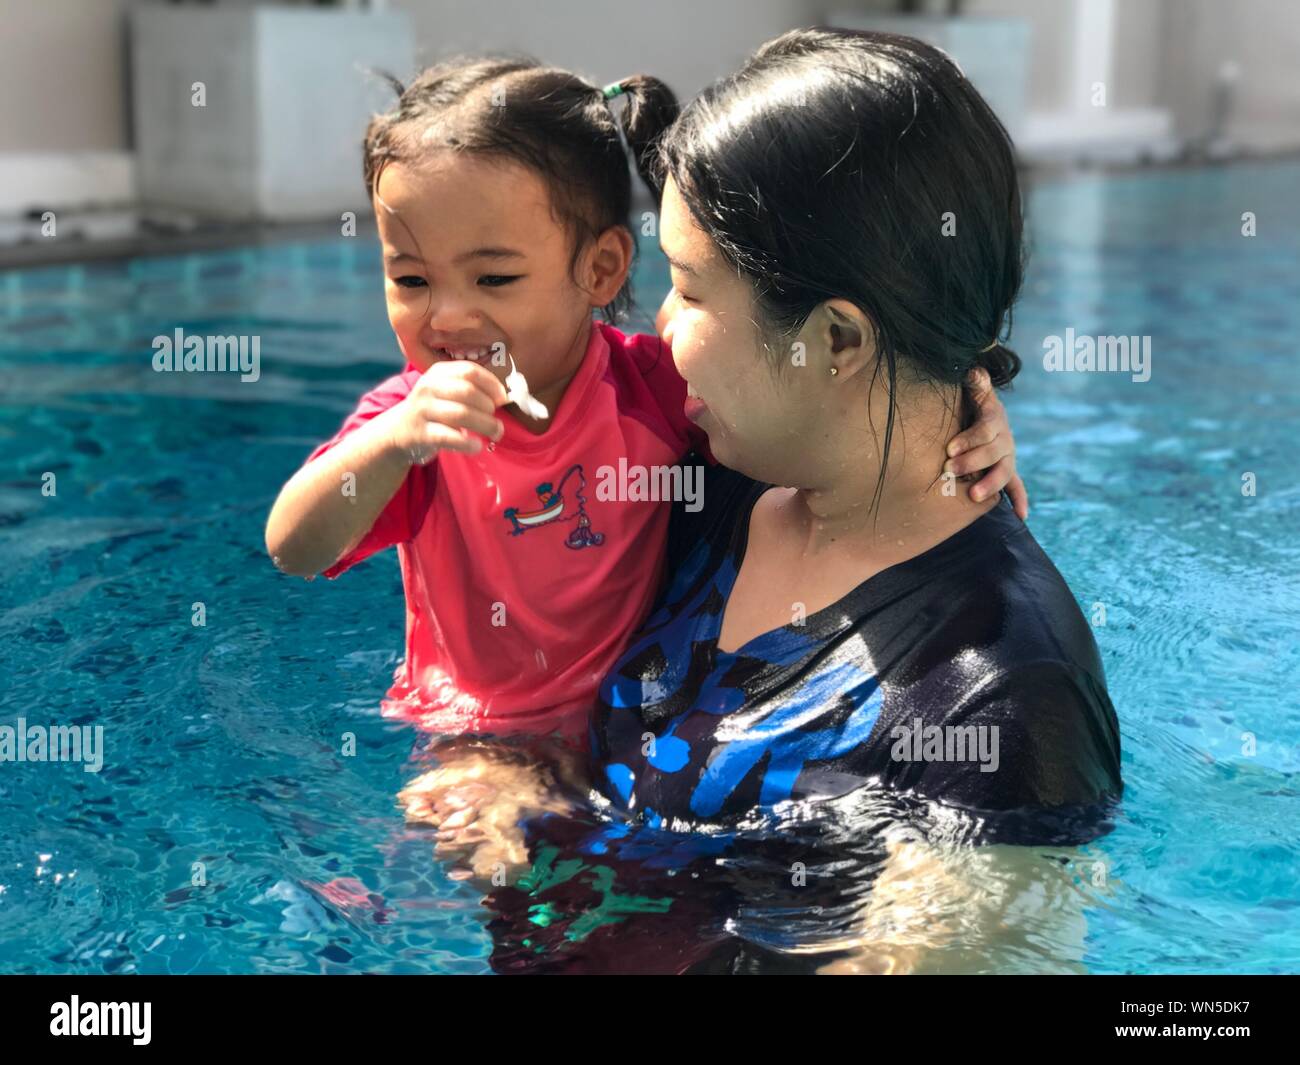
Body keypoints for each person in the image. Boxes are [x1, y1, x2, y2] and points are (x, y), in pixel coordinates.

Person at [406, 29, 1123, 974]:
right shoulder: (704, 477)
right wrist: (496, 760)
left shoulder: (995, 699)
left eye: (691, 290)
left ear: (833, 341)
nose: (658, 327)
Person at [264, 56, 1024, 741]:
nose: (447, 315)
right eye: (410, 279)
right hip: (475, 735)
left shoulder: (647, 388)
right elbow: (292, 546)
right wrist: (393, 439)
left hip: (622, 727)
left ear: (599, 269)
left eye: (493, 279)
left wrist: (965, 399)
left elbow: (824, 409)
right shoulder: (418, 423)